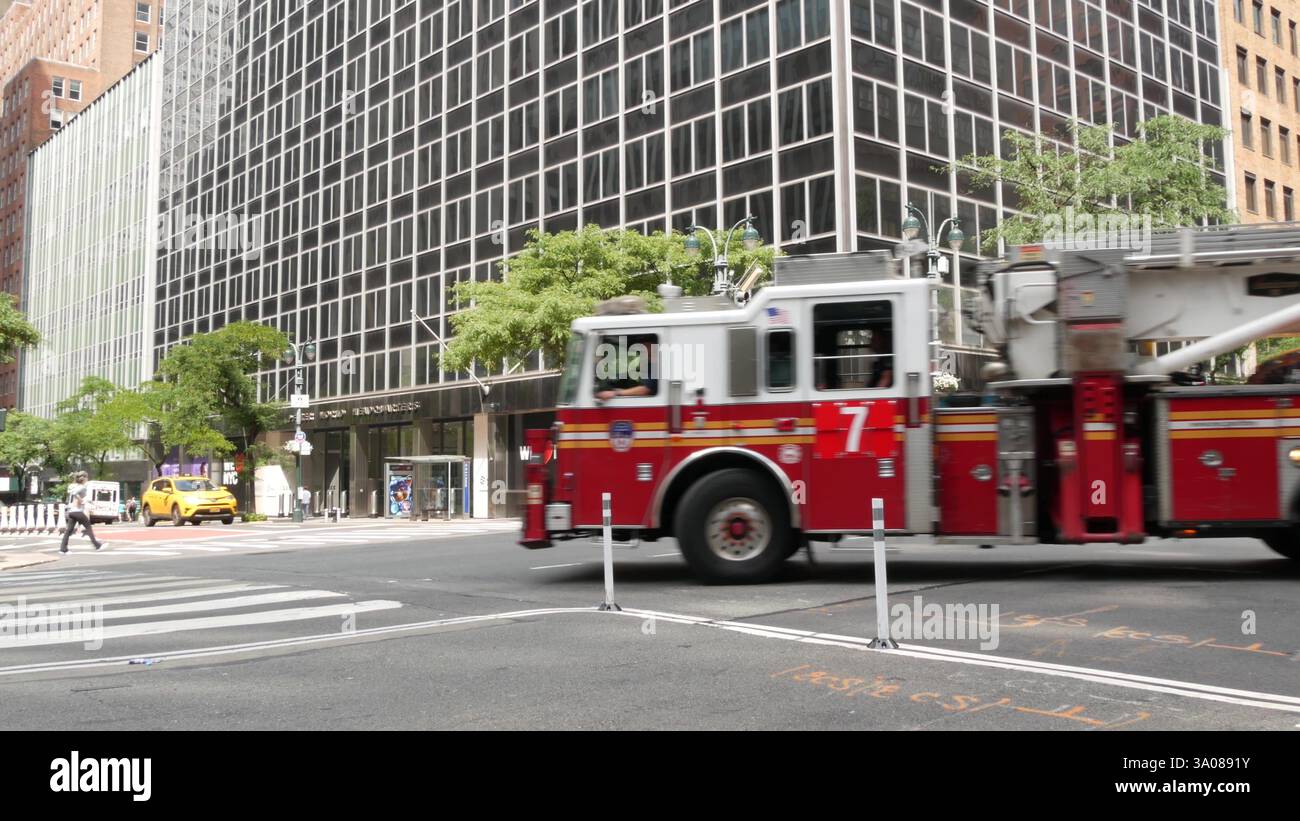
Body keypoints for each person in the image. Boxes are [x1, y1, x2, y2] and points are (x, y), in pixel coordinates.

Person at [62, 471, 105, 554]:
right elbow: (76, 494)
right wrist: (80, 499)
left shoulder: (74, 486)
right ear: (84, 478)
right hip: (78, 511)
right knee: (88, 527)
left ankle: (63, 549)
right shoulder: (82, 487)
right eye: (87, 477)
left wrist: (91, 503)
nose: (87, 479)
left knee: (68, 531)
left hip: (71, 511)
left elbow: (73, 492)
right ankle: (97, 545)